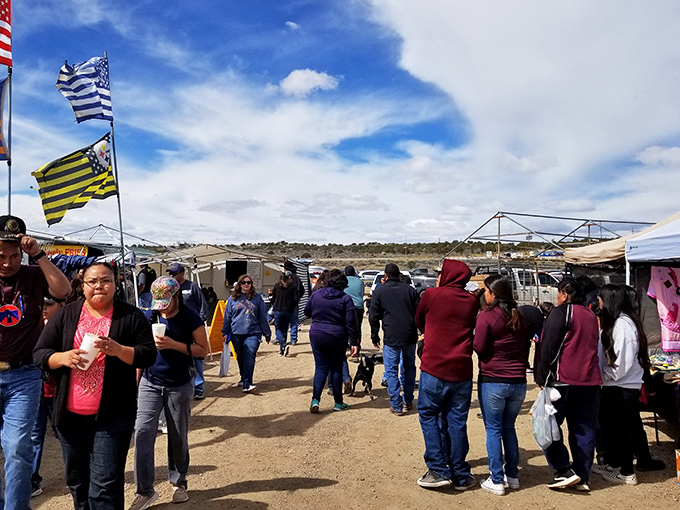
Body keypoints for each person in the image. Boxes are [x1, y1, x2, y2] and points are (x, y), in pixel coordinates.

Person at [33, 261, 156, 510]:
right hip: (69, 417)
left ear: (115, 283)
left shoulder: (131, 316)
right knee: (78, 483)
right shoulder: (67, 314)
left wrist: (118, 350)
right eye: (92, 281)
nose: (99, 286)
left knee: (105, 484)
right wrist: (63, 357)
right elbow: (40, 353)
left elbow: (148, 355)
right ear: (83, 284)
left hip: (113, 415)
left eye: (106, 280)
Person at [0, 215, 71, 510]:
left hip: (23, 375)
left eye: (14, 255)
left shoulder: (32, 275)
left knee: (18, 447)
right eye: (1, 256)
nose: (8, 262)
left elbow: (64, 291)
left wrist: (38, 255)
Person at [129, 276, 209, 509]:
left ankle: (179, 482)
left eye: (166, 301)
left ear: (176, 297)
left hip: (179, 383)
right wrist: (136, 381)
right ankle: (144, 491)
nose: (162, 306)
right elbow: (140, 351)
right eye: (158, 302)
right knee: (143, 431)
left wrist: (172, 344)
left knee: (177, 434)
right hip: (150, 381)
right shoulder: (150, 316)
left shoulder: (189, 317)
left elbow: (202, 349)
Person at [413, 259, 479, 490]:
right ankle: (460, 473)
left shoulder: (432, 295)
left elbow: (419, 318)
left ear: (449, 275)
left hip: (434, 368)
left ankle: (439, 469)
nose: (438, 276)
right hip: (461, 371)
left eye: (440, 273)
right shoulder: (471, 301)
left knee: (429, 415)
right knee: (457, 421)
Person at [535, 277, 601, 491]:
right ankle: (582, 475)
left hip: (562, 382)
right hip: (590, 381)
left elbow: (548, 346)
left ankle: (563, 469)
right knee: (584, 429)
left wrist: (542, 377)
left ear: (564, 293)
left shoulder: (561, 312)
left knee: (547, 426)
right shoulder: (591, 315)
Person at [473, 275, 529, 495]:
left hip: (494, 380)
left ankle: (497, 479)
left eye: (485, 290)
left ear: (493, 294)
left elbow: (479, 346)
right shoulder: (520, 316)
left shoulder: (487, 317)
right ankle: (512, 475)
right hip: (518, 381)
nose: (483, 295)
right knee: (509, 428)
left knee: (493, 430)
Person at [591, 284, 649, 486]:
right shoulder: (616, 323)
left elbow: (622, 363)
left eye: (600, 298)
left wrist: (604, 375)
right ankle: (614, 465)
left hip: (622, 386)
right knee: (612, 428)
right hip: (615, 384)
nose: (598, 301)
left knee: (620, 430)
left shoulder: (624, 325)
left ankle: (626, 472)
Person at [304, 269, 359, 412]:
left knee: (320, 367)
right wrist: (354, 342)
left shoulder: (316, 295)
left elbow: (306, 312)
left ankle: (315, 400)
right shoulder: (346, 299)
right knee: (336, 368)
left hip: (317, 334)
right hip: (337, 336)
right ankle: (338, 402)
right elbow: (351, 323)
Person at [369, 263, 419, 416]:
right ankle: (408, 400)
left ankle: (396, 404)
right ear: (398, 275)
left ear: (386, 275)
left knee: (391, 370)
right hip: (410, 335)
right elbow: (419, 313)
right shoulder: (410, 290)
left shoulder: (380, 291)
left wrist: (375, 334)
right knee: (409, 368)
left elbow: (373, 316)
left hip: (391, 336)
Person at [30, 296, 63, 498]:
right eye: (41, 304)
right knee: (34, 437)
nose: (44, 308)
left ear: (61, 305)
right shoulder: (32, 326)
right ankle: (32, 481)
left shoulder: (65, 327)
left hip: (59, 391)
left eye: (49, 304)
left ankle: (78, 475)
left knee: (66, 435)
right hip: (35, 390)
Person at [221, 274, 271, 393]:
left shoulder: (257, 298)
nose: (246, 285)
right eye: (243, 283)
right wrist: (225, 331)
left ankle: (247, 383)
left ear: (251, 284)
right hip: (236, 333)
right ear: (239, 285)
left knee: (250, 355)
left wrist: (267, 333)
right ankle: (244, 378)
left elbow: (262, 317)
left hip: (253, 332)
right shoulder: (232, 299)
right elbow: (227, 316)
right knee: (241, 357)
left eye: (248, 282)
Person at [167, 263, 208, 400]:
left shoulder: (192, 287)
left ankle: (198, 387)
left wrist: (200, 322)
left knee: (197, 357)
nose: (171, 276)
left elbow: (203, 305)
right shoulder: (169, 288)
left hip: (192, 327)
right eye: (170, 274)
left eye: (174, 274)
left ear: (182, 273)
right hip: (176, 327)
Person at [272, 271, 298, 356]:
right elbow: (295, 300)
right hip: (288, 310)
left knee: (278, 328)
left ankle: (283, 344)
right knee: (284, 329)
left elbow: (273, 298)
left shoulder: (277, 286)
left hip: (278, 309)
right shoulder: (293, 287)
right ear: (289, 278)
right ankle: (282, 349)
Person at [283, 260, 305, 346]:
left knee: (283, 322)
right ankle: (293, 340)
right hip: (295, 302)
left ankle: (281, 339)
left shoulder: (283, 278)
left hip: (285, 303)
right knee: (294, 321)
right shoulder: (297, 278)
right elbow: (302, 290)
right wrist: (298, 298)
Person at [344, 265, 365, 351]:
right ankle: (357, 344)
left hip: (346, 306)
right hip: (358, 306)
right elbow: (362, 293)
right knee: (357, 326)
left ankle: (347, 344)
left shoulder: (343, 281)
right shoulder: (359, 281)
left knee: (346, 326)